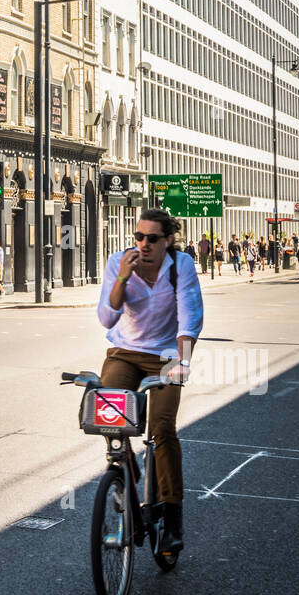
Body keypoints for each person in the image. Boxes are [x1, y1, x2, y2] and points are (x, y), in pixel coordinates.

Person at [97, 208, 204, 553]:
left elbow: (189, 317)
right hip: (125, 352)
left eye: (152, 238)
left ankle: (172, 517)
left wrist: (182, 362)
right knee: (109, 416)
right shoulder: (118, 262)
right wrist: (122, 279)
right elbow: (106, 317)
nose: (143, 244)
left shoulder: (181, 266)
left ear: (167, 241)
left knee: (161, 428)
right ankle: (127, 468)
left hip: (166, 355)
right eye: (139, 237)